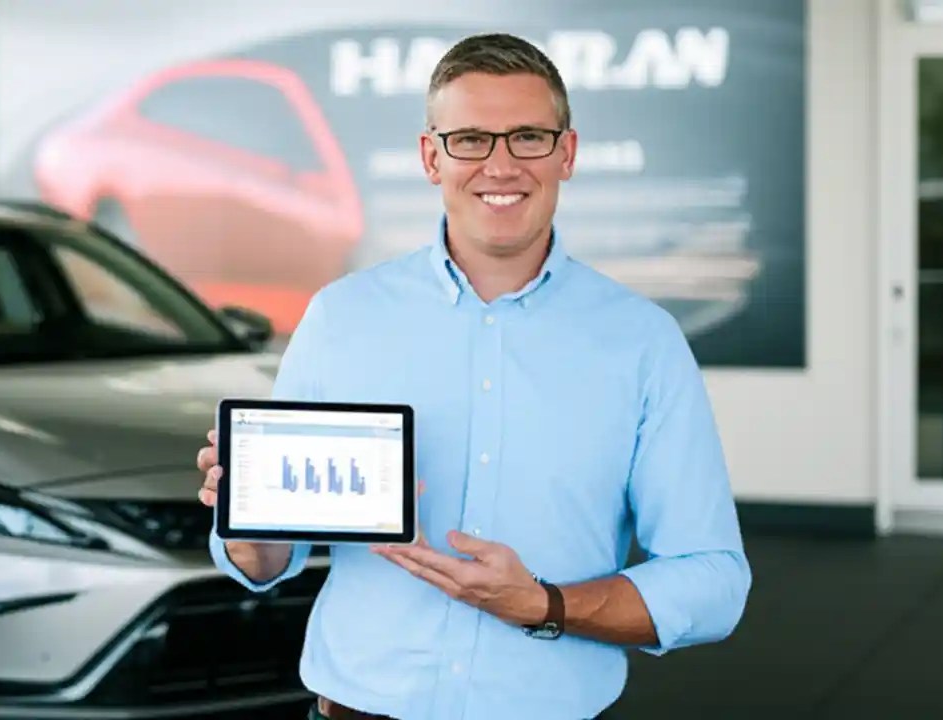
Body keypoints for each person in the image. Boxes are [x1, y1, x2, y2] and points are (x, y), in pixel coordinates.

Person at [197, 32, 751, 720]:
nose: (500, 164)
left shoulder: (642, 343)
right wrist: (251, 537)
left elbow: (713, 582)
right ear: (432, 156)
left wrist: (541, 604)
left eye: (528, 137)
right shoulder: (342, 318)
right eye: (470, 140)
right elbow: (272, 554)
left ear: (566, 153)